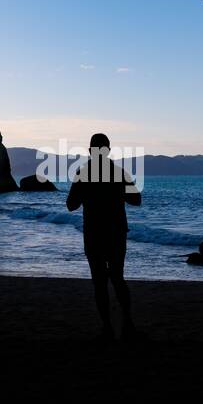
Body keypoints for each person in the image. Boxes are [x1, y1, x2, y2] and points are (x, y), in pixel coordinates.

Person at [66, 133, 141, 340]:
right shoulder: (119, 173)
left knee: (99, 282)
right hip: (116, 233)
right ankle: (127, 323)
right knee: (117, 278)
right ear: (108, 150)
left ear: (90, 151)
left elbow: (71, 205)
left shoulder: (83, 173)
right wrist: (118, 194)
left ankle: (107, 328)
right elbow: (136, 200)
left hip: (93, 234)